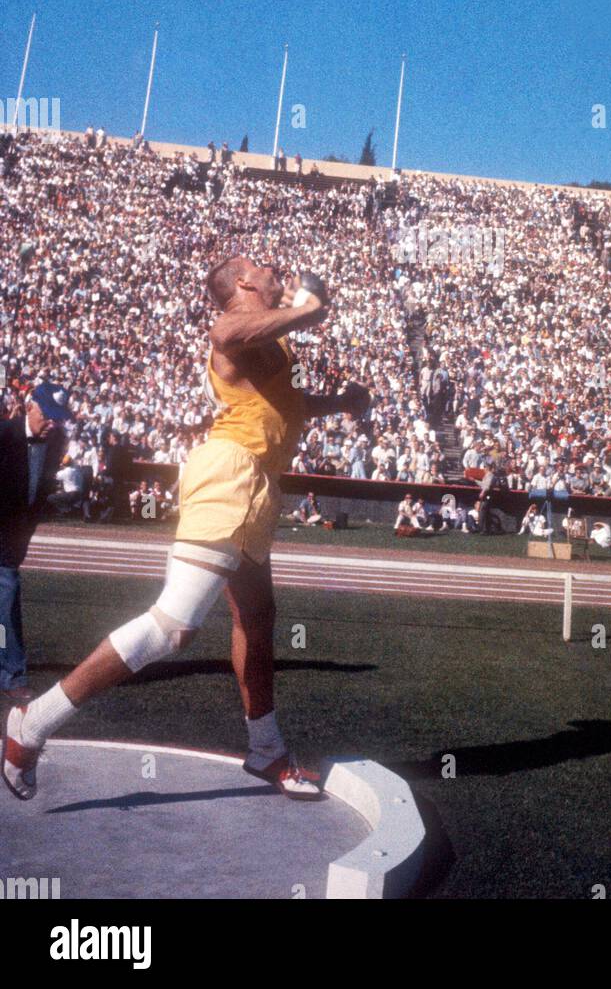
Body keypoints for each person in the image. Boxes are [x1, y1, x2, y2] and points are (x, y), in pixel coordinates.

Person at [2, 257, 371, 802]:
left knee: (258, 619)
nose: (279, 271)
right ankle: (30, 725)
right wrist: (309, 308)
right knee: (172, 628)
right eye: (266, 268)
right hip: (228, 475)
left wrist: (338, 403)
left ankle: (265, 748)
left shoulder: (271, 345)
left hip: (258, 486)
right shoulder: (230, 332)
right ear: (243, 285)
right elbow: (227, 330)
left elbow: (281, 407)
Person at [0, 382, 72, 704]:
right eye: (48, 416)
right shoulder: (4, 434)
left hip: (14, 538)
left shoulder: (56, 442)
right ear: (31, 406)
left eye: (58, 417)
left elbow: (38, 492)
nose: (53, 423)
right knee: (7, 600)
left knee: (5, 602)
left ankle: (9, 669)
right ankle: (13, 674)